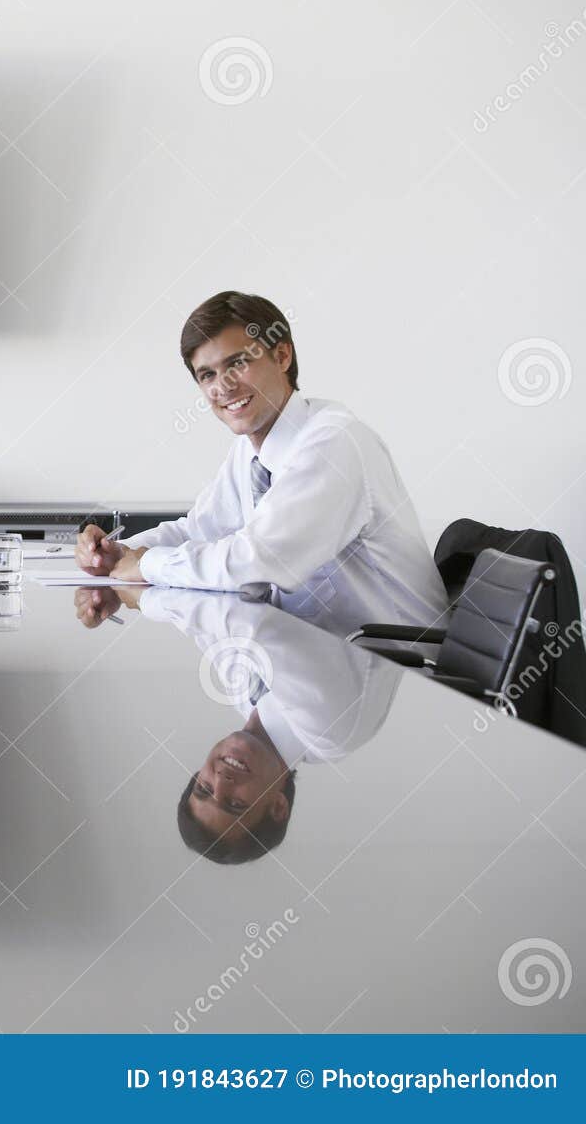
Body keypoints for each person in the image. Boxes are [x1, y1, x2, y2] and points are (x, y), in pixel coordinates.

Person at [75, 291, 447, 632]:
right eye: (208, 375)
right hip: (318, 654)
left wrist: (146, 564)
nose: (223, 386)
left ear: (282, 356)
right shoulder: (250, 452)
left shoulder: (334, 443)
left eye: (237, 363)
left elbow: (256, 563)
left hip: (398, 664)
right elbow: (199, 530)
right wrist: (116, 554)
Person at [75, 584, 401, 864]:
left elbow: (211, 593)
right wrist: (144, 596)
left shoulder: (242, 694)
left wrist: (114, 582)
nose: (221, 780)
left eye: (204, 788)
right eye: (235, 803)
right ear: (278, 806)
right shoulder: (331, 730)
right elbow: (248, 620)